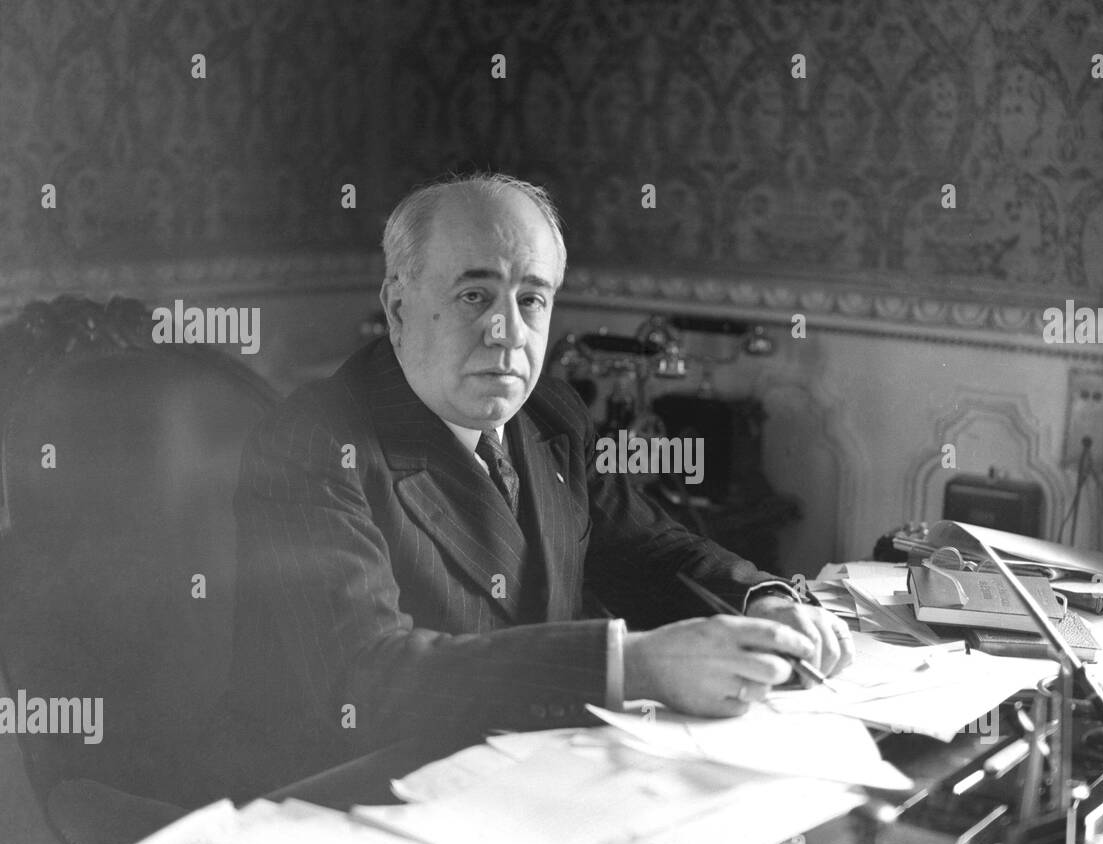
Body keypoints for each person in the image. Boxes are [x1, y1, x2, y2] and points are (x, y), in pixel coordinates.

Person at [218, 173, 852, 796]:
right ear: (397, 306)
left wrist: (760, 603)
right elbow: (363, 678)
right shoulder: (313, 444)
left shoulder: (548, 410)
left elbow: (647, 548)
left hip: (535, 774)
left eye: (531, 299)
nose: (508, 333)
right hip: (363, 802)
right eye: (475, 296)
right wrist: (630, 667)